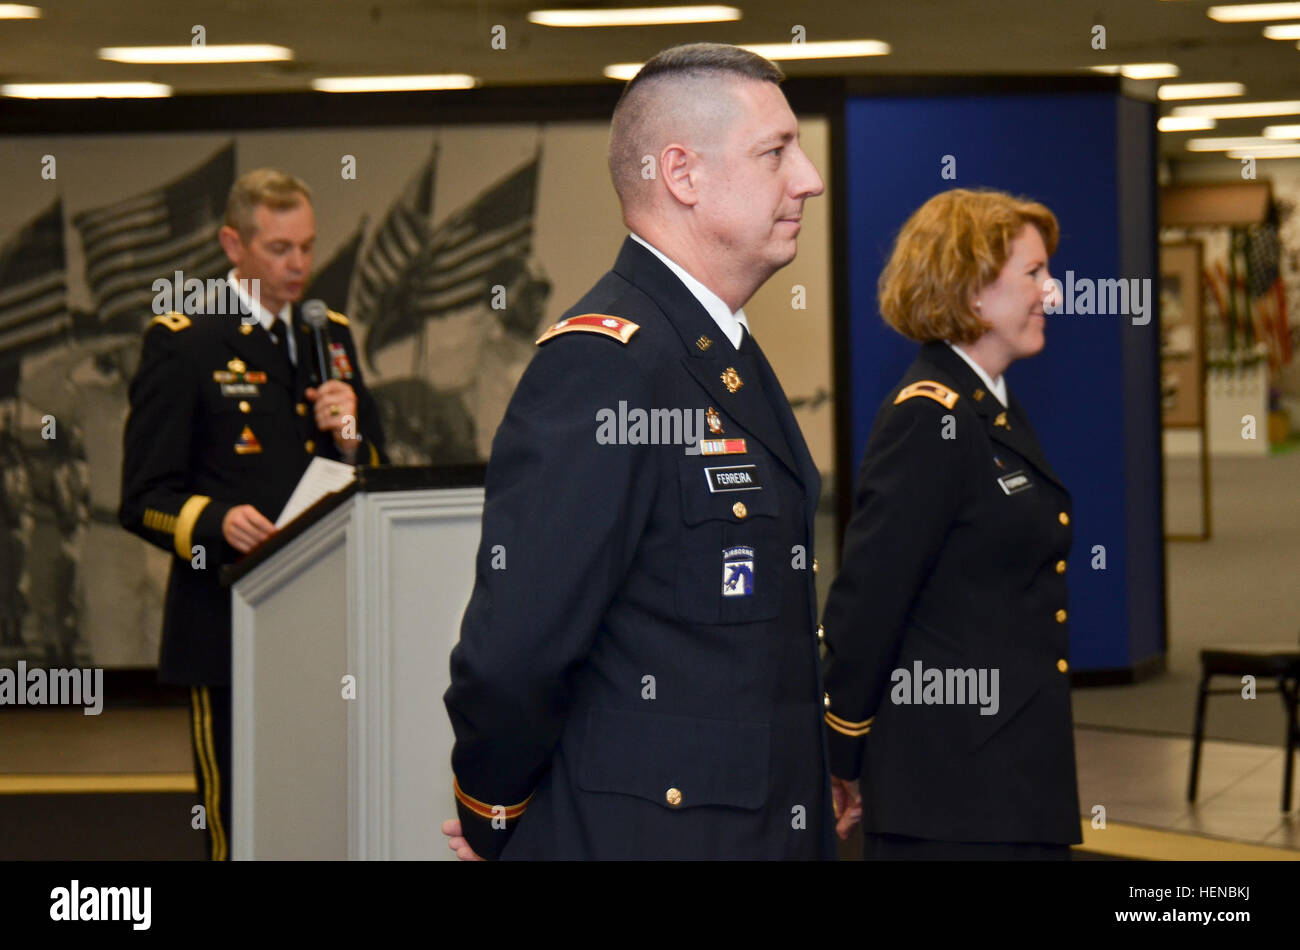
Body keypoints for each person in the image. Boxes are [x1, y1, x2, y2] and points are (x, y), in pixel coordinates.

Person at [442, 42, 832, 860]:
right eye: (775, 152)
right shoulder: (603, 364)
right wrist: (497, 815)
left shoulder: (721, 351)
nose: (808, 179)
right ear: (683, 175)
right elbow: (517, 649)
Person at [119, 169, 387, 860]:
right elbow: (143, 498)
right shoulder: (185, 340)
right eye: (279, 249)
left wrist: (353, 435)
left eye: (306, 247)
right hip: (226, 623)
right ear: (233, 244)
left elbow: (375, 476)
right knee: (237, 815)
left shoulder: (330, 335)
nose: (299, 265)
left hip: (325, 624)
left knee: (328, 797)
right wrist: (215, 522)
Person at [822, 188, 1081, 860]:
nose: (1052, 293)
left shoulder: (991, 409)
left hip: (1011, 770)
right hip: (954, 791)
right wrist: (840, 747)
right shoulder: (928, 418)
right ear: (971, 294)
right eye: (1033, 274)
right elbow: (870, 598)